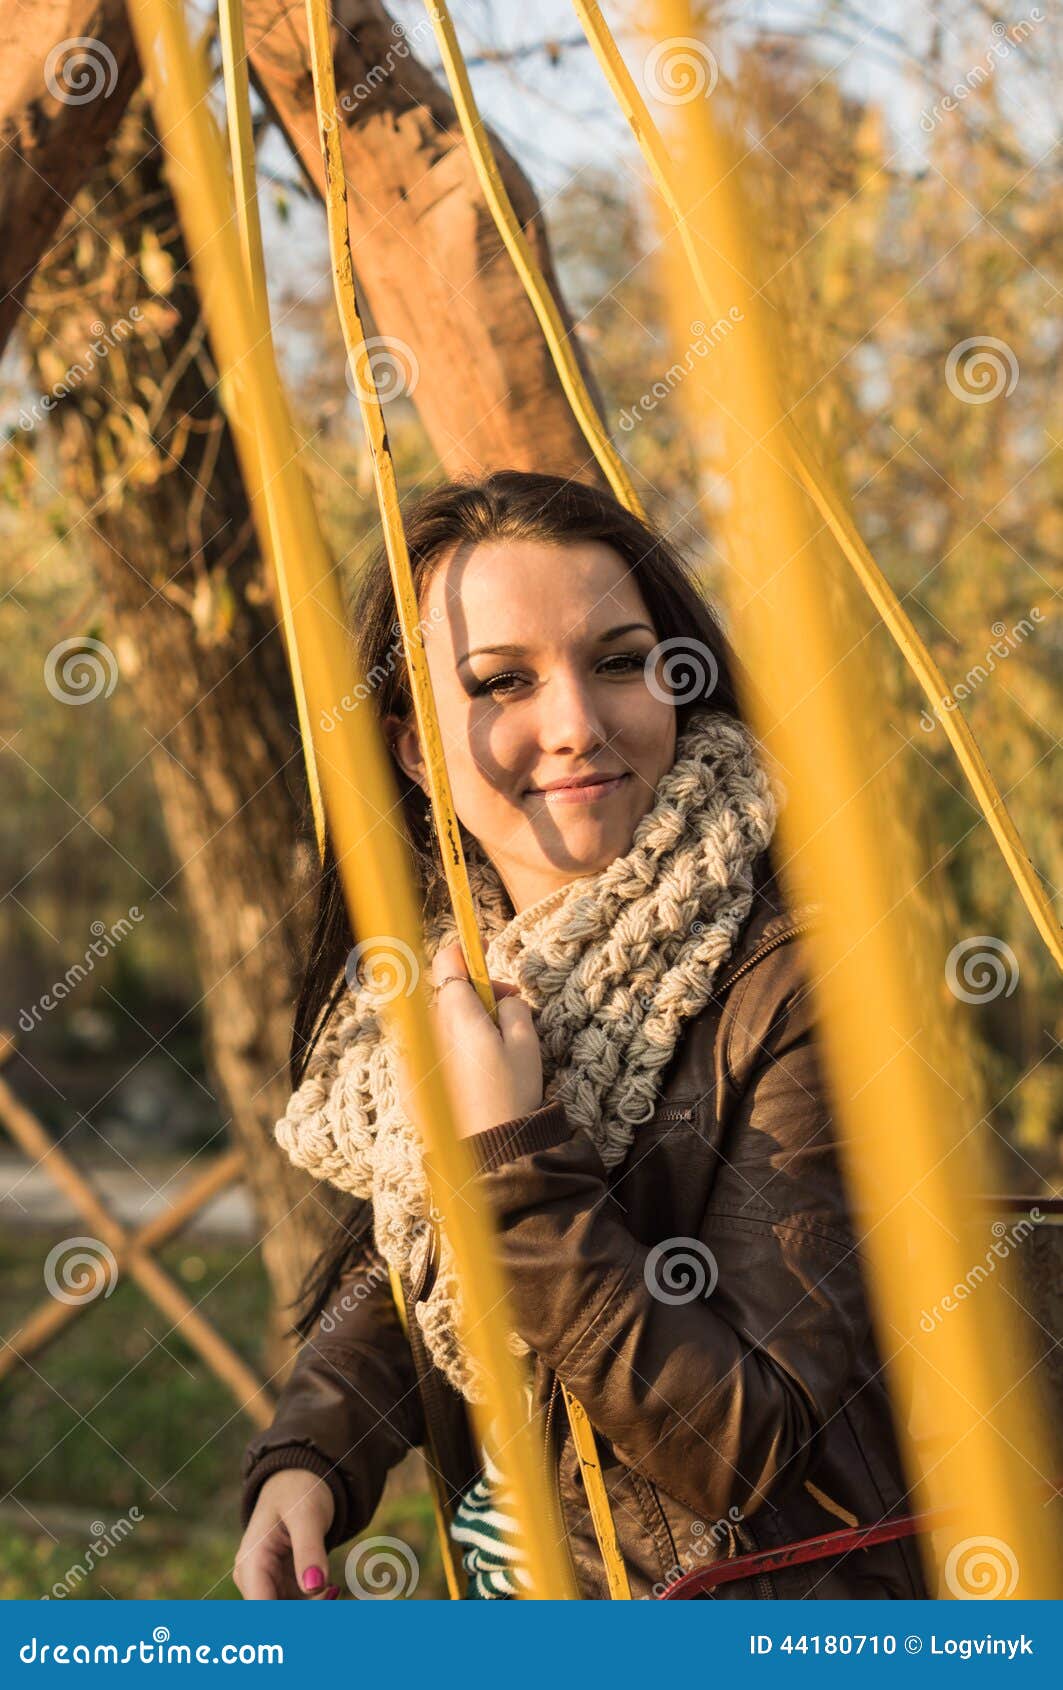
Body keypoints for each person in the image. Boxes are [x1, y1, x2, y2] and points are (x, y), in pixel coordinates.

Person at [233, 470, 930, 1602]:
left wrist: (515, 1164)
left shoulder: (807, 979)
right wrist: (317, 1450)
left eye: (617, 661)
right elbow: (419, 1249)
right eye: (503, 680)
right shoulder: (439, 973)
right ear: (415, 750)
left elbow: (749, 1446)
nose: (576, 724)